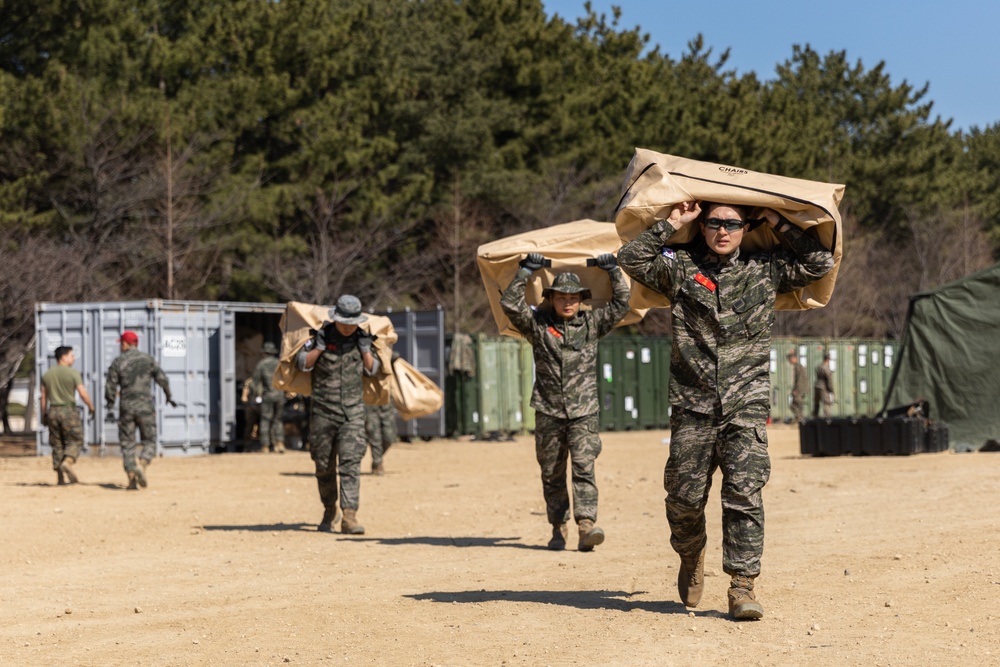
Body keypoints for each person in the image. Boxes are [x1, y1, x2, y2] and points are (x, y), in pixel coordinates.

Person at [618, 200, 833, 619]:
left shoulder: (765, 271)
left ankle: (742, 586)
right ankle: (690, 552)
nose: (722, 230)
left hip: (745, 407)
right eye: (714, 222)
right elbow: (631, 257)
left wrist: (776, 222)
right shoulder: (680, 268)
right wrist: (673, 222)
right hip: (692, 406)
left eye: (732, 224)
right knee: (683, 499)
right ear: (703, 228)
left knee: (744, 496)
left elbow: (819, 262)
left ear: (743, 228)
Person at [500, 252, 630, 552]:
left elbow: (622, 303)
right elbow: (509, 304)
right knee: (552, 472)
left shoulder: (593, 323)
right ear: (552, 299)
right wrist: (526, 271)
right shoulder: (538, 326)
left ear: (582, 299)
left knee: (584, 467)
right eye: (561, 297)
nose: (567, 303)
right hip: (548, 410)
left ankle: (586, 525)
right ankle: (558, 527)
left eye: (573, 298)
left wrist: (612, 271)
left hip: (584, 412)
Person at [297, 295, 380, 535]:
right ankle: (329, 509)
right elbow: (303, 364)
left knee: (351, 464)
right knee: (323, 465)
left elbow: (373, 370)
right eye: (343, 322)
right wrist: (320, 347)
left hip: (352, 412)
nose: (347, 327)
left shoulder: (363, 338)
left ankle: (350, 516)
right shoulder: (320, 335)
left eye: (351, 322)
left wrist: (365, 349)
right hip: (323, 411)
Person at [105, 331, 176, 490]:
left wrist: (110, 405)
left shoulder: (118, 361)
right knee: (149, 441)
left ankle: (131, 479)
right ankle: (143, 463)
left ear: (125, 344)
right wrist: (169, 396)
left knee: (128, 444)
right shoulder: (148, 359)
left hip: (126, 408)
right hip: (145, 407)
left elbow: (110, 386)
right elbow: (163, 380)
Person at [40, 346, 95, 485]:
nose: (74, 358)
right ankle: (68, 462)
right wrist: (91, 406)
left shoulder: (47, 374)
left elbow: (43, 397)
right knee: (76, 440)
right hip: (68, 411)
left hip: (52, 411)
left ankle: (60, 479)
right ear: (63, 357)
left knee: (57, 444)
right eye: (71, 355)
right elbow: (82, 392)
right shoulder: (73, 373)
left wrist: (44, 415)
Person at [251, 341, 286, 453]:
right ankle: (279, 443)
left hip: (267, 396)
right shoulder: (279, 363)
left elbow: (254, 383)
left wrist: (255, 396)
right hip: (280, 396)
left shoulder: (261, 364)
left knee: (265, 420)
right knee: (278, 420)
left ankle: (265, 446)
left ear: (264, 353)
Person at [365, 400, 397, 475]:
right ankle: (377, 462)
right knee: (375, 436)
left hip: (387, 404)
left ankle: (377, 457)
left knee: (389, 437)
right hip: (370, 404)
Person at [788, 350, 808, 423]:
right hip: (801, 389)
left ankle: (800, 419)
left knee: (796, 404)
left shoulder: (798, 367)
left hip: (800, 389)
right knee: (796, 404)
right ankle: (799, 418)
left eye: (790, 359)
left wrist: (796, 389)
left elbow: (799, 379)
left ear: (794, 358)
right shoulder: (798, 366)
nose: (789, 361)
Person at [813, 352, 834, 418]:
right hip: (823, 387)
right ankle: (827, 419)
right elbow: (829, 380)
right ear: (828, 359)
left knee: (816, 403)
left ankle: (815, 416)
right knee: (827, 403)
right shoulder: (826, 368)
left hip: (817, 386)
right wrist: (831, 390)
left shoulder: (818, 367)